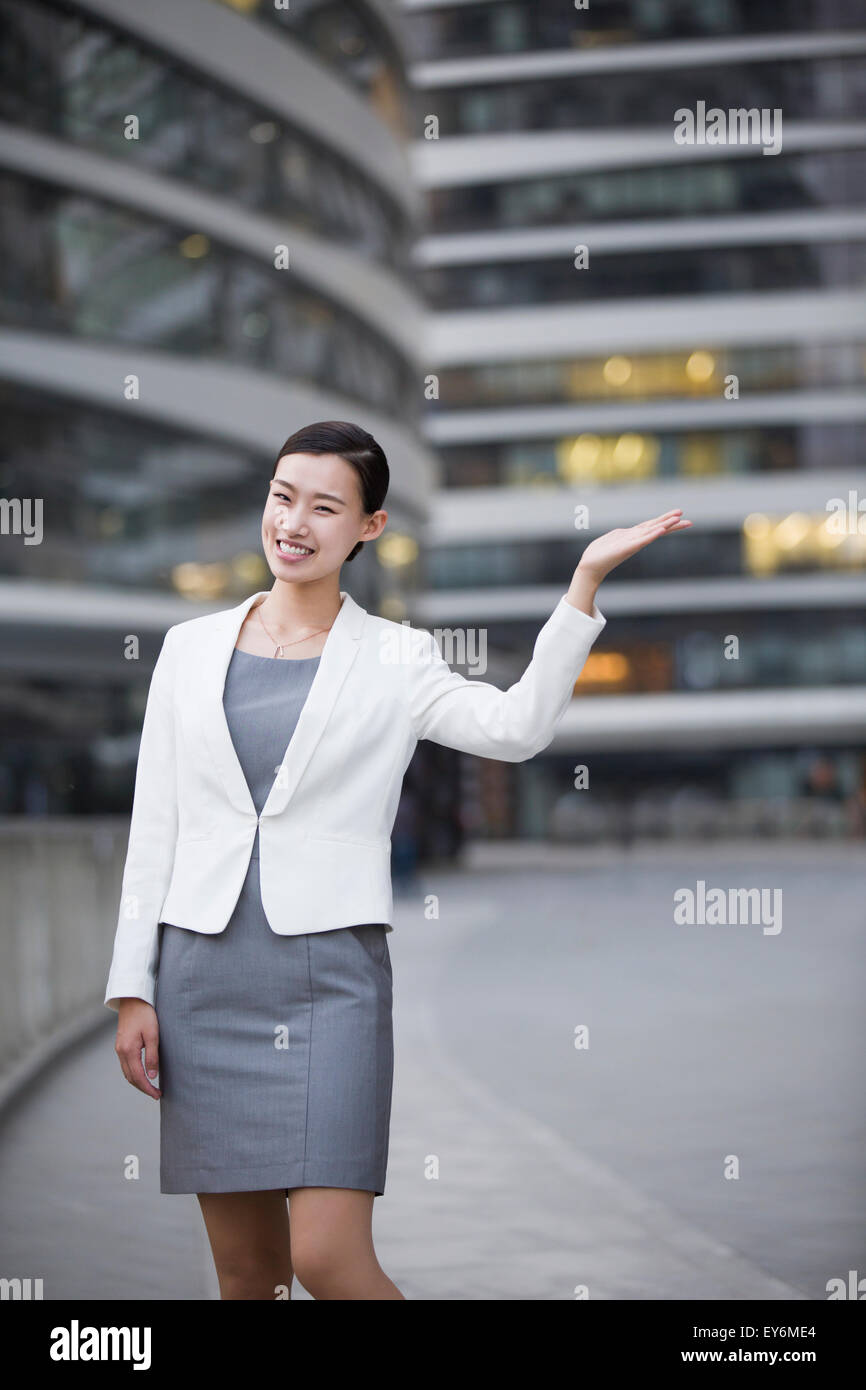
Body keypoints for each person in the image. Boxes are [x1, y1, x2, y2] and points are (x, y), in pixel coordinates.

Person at [107, 419, 691, 1300]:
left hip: (330, 981)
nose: (294, 522)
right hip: (203, 982)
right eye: (282, 497)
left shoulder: (395, 656)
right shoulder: (188, 649)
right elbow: (156, 825)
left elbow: (517, 728)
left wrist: (584, 586)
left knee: (327, 1258)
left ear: (369, 527)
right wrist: (131, 988)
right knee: (246, 1273)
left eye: (324, 507)